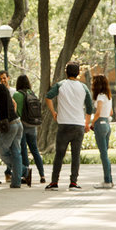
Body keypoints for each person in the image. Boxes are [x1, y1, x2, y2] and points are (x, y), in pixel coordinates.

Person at [44, 61, 94, 190]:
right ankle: (73, 182)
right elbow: (89, 107)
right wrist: (86, 123)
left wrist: (53, 112)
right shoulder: (83, 87)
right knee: (76, 155)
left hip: (64, 124)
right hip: (78, 125)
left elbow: (48, 97)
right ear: (78, 73)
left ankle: (54, 182)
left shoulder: (60, 85)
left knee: (59, 154)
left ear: (66, 72)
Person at [0, 68, 23, 189]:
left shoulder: (0, 88)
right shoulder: (3, 89)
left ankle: (22, 171)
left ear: (8, 78)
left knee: (1, 151)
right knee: (16, 152)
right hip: (16, 122)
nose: (2, 80)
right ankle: (17, 181)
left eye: (3, 78)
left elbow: (14, 103)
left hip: (11, 123)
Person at [15, 74, 46, 185]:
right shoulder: (32, 94)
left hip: (22, 125)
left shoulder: (17, 95)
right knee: (35, 150)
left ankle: (27, 175)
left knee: (23, 150)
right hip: (33, 126)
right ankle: (42, 175)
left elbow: (16, 112)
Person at [90, 75, 114, 189]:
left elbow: (98, 112)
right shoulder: (108, 96)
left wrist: (92, 122)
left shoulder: (100, 96)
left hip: (100, 123)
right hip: (107, 124)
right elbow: (111, 112)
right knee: (105, 154)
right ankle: (110, 179)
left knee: (103, 154)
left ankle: (107, 181)